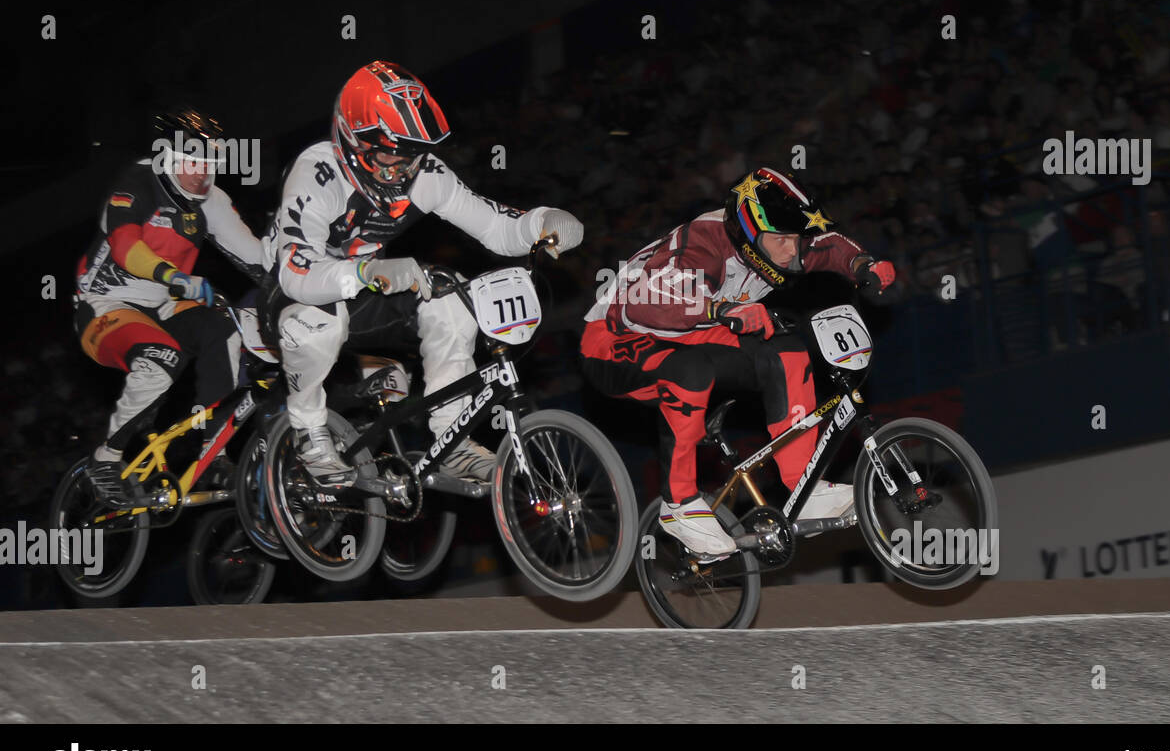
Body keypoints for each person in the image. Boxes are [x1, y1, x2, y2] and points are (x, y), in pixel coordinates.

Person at [261, 59, 583, 485]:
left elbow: (494, 226)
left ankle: (451, 441)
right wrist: (365, 271)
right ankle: (307, 430)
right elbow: (296, 273)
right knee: (317, 321)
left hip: (363, 293)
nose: (403, 170)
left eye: (412, 155)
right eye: (391, 155)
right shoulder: (317, 172)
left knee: (455, 302)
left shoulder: (423, 173)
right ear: (352, 141)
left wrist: (541, 221)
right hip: (291, 293)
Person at [581, 167, 895, 558]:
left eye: (796, 239)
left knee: (788, 352)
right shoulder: (702, 245)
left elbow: (828, 247)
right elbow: (644, 308)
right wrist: (723, 308)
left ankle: (803, 483)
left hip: (693, 329)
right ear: (748, 236)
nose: (791, 252)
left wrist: (863, 265)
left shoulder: (777, 240)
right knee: (690, 371)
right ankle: (677, 504)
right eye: (782, 241)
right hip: (617, 338)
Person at [75, 107, 267, 504]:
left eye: (210, 164)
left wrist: (305, 286)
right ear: (167, 158)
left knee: (225, 327)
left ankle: (213, 450)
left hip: (164, 304)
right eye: (192, 163)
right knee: (161, 357)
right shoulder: (137, 181)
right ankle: (105, 458)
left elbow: (257, 258)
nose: (202, 174)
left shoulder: (211, 199)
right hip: (106, 303)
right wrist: (176, 277)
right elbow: (126, 247)